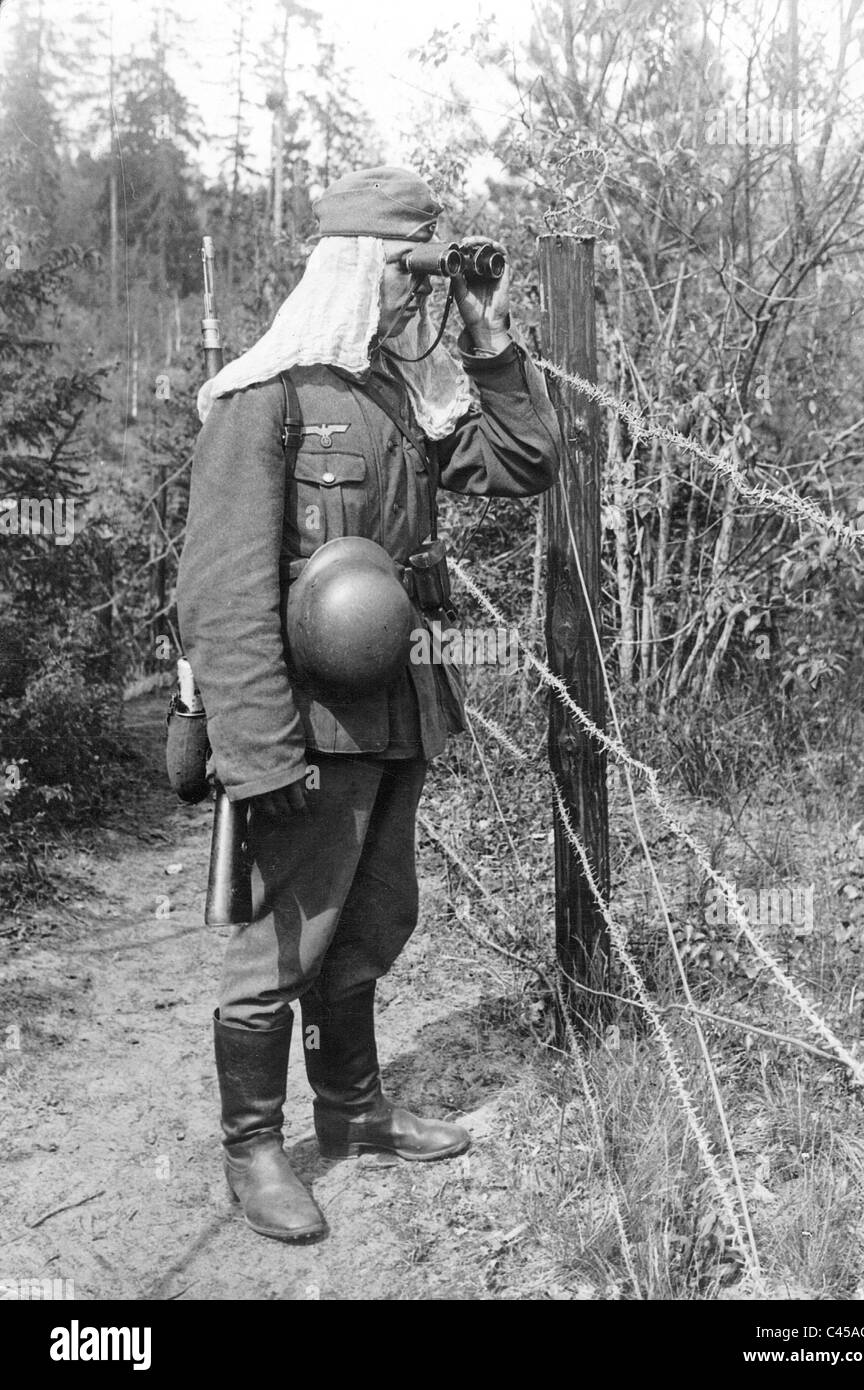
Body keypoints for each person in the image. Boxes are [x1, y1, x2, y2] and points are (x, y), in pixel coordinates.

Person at [177, 165, 560, 1242]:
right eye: (405, 274)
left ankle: (350, 1112)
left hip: (396, 709)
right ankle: (253, 1146)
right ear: (353, 269)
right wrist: (259, 755)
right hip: (305, 729)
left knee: (378, 918)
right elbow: (223, 598)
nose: (414, 296)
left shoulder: (398, 398)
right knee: (283, 944)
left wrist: (484, 331)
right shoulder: (266, 399)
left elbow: (528, 458)